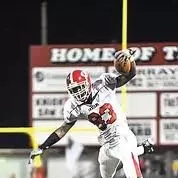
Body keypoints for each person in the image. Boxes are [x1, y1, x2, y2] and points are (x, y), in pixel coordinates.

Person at [29, 48, 154, 178]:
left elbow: (130, 75)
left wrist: (131, 60)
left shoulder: (104, 84)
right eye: (74, 89)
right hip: (107, 143)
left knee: (128, 160)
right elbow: (62, 130)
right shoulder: (73, 106)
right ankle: (143, 149)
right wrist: (43, 146)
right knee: (105, 168)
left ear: (88, 83)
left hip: (123, 137)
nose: (78, 92)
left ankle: (138, 151)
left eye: (80, 87)